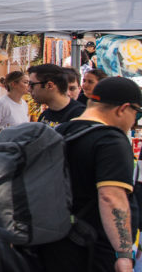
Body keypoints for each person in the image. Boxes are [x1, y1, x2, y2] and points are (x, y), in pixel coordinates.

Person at [35, 77, 141, 272]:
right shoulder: (111, 140)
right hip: (90, 248)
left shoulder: (61, 131)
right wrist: (124, 254)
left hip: (51, 244)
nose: (135, 122)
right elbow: (111, 196)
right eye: (137, 114)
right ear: (123, 108)